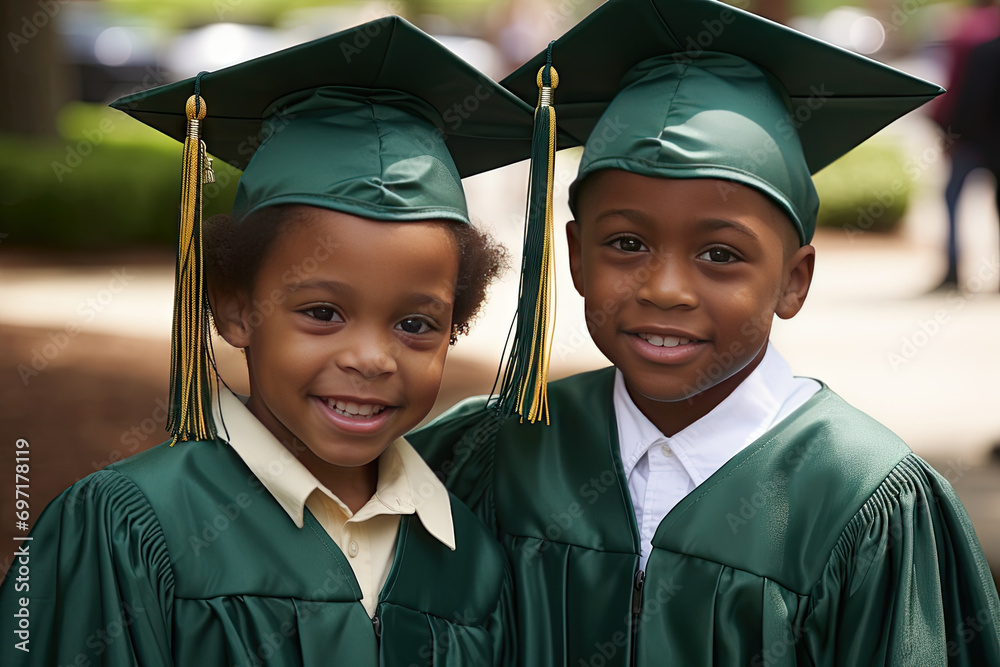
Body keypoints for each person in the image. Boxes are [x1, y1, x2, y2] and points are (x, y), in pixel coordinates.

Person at [408, 0, 1000, 664]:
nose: (665, 288)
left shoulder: (864, 498)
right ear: (574, 256)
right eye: (626, 243)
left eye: (721, 254)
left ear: (794, 281)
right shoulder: (493, 457)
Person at [0, 16, 535, 666]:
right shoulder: (129, 525)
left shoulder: (468, 559)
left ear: (457, 324)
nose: (369, 357)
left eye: (415, 324)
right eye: (322, 312)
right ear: (233, 309)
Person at [929, 0, 999, 290]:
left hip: (970, 140)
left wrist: (950, 133)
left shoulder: (966, 31)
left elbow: (961, 91)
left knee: (953, 199)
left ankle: (953, 271)